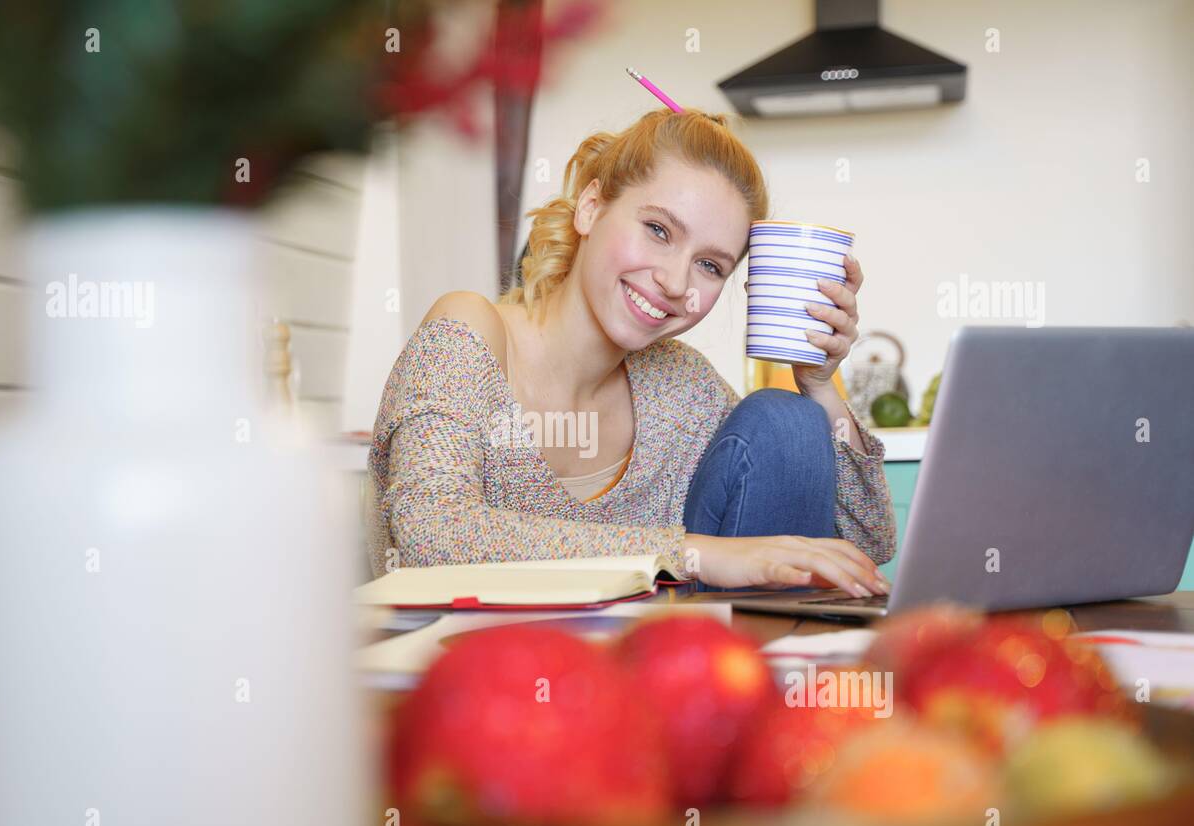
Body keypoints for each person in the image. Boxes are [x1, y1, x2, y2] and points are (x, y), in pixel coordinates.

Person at [366, 107, 894, 595]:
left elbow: (865, 546)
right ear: (591, 208)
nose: (673, 280)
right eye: (658, 229)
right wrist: (693, 555)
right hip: (485, 672)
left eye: (710, 265)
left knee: (789, 420)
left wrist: (819, 386)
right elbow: (429, 535)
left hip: (652, 675)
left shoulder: (680, 387)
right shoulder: (472, 331)